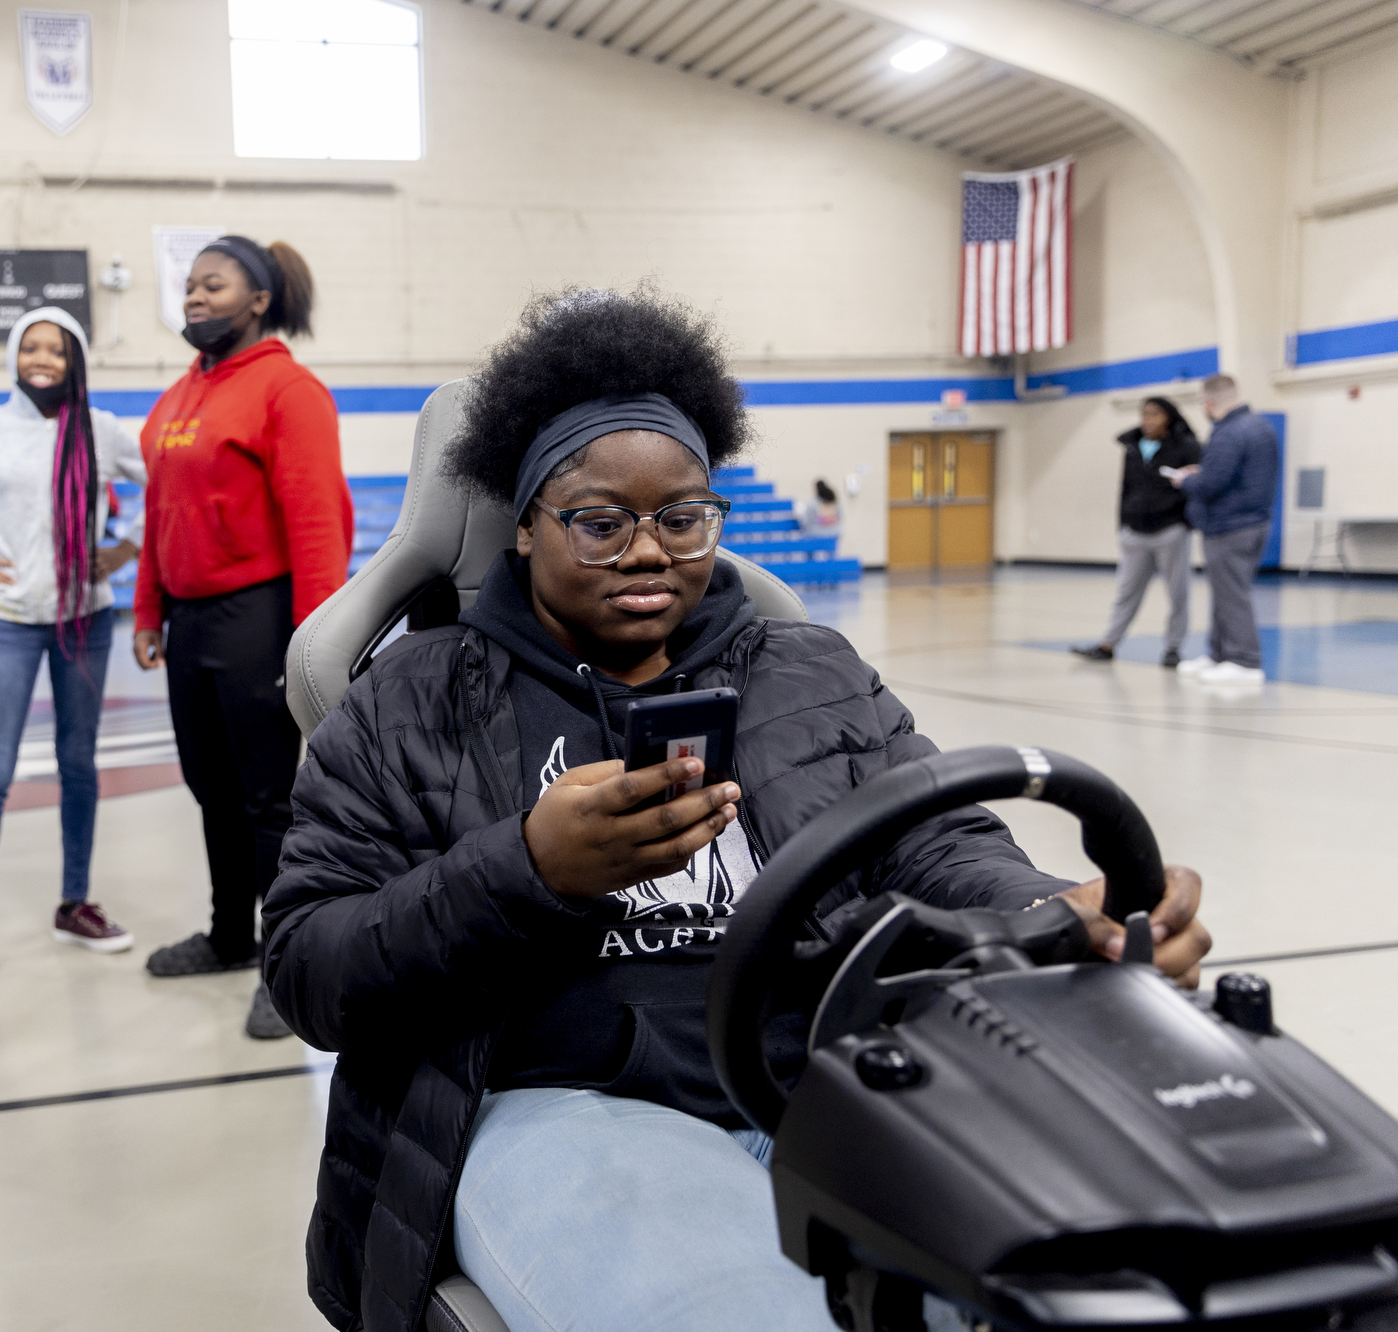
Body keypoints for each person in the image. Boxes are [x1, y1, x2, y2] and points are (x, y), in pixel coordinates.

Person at [259, 288, 1213, 1332]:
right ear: (524, 527)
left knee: (1100, 1272)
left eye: (681, 519)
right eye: (599, 524)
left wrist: (1049, 911)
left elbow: (933, 842)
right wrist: (528, 868)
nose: (646, 553)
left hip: (819, 1076)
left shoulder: (807, 670)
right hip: (561, 1103)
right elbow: (311, 968)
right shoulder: (408, 700)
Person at [130, 235, 352, 1040]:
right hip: (189, 621)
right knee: (212, 789)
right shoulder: (181, 394)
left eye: (212, 284)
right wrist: (147, 609)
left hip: (257, 615)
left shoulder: (288, 391)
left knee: (268, 801)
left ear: (258, 300)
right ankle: (230, 936)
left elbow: (317, 522)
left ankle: (282, 965)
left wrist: (312, 641)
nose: (194, 297)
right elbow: (159, 514)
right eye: (189, 285)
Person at [0, 306, 145, 994]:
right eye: (30, 347)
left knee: (79, 763)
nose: (42, 359)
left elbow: (167, 484)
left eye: (57, 350)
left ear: (75, 361)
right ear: (14, 354)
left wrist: (127, 548)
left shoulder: (101, 430)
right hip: (7, 621)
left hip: (84, 618)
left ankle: (75, 904)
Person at [1070, 396, 1203, 668]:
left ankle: (1173, 648)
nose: (1148, 420)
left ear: (1168, 417)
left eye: (1155, 415)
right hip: (1135, 532)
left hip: (1170, 530)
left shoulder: (1186, 447)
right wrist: (1122, 525)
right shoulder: (1132, 446)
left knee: (1178, 593)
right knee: (1126, 591)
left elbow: (1196, 486)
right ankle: (1108, 644)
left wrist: (1186, 522)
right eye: (1144, 414)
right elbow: (1126, 488)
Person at [1168, 374, 1278, 683]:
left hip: (1229, 526)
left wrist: (1185, 480)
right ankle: (1218, 655)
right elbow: (1237, 474)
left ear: (1208, 403)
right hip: (1253, 522)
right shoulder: (1261, 427)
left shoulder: (1228, 433)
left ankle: (1245, 660)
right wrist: (1203, 472)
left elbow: (1211, 485)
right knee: (1224, 593)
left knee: (1232, 595)